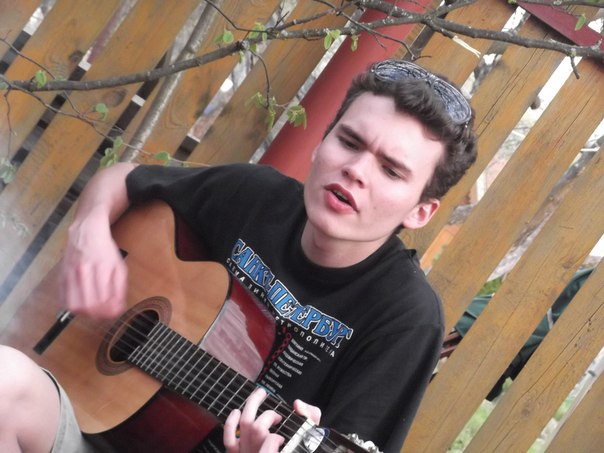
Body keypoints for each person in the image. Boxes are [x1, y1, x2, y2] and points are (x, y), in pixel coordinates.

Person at [0, 59, 477, 453]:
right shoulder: (254, 195)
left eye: (391, 171)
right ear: (322, 143)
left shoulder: (406, 319)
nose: (356, 170)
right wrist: (88, 233)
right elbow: (121, 179)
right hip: (81, 418)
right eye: (349, 142)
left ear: (420, 211)